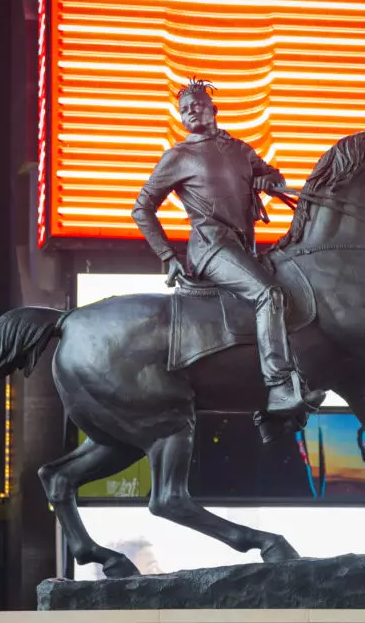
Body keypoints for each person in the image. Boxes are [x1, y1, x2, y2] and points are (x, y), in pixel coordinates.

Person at [131, 78, 326, 437]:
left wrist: (269, 179)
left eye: (197, 105)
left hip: (243, 248)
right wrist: (167, 256)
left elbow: (271, 173)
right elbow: (142, 208)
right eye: (184, 109)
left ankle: (271, 405)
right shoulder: (177, 156)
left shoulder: (239, 148)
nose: (190, 111)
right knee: (269, 294)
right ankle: (280, 386)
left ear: (213, 109)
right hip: (211, 248)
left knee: (298, 299)